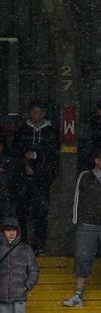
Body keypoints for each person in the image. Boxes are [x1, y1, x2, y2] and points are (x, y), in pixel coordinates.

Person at [69, 148, 101, 307]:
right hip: (87, 225)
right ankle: (78, 295)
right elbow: (76, 199)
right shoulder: (85, 176)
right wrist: (77, 222)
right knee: (82, 258)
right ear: (96, 160)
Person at [12, 101, 59, 254]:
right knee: (22, 212)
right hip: (23, 180)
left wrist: (37, 158)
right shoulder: (22, 131)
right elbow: (16, 152)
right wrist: (25, 164)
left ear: (43, 113)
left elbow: (52, 155)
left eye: (38, 112)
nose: (35, 115)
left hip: (42, 180)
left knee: (41, 213)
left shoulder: (51, 132)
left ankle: (39, 246)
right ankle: (22, 243)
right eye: (32, 112)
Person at [0, 217, 37, 313]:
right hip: (1, 299)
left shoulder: (26, 250)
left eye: (14, 230)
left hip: (19, 299)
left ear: (18, 232)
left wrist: (27, 285)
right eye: (8, 230)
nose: (11, 234)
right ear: (3, 232)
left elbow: (34, 271)